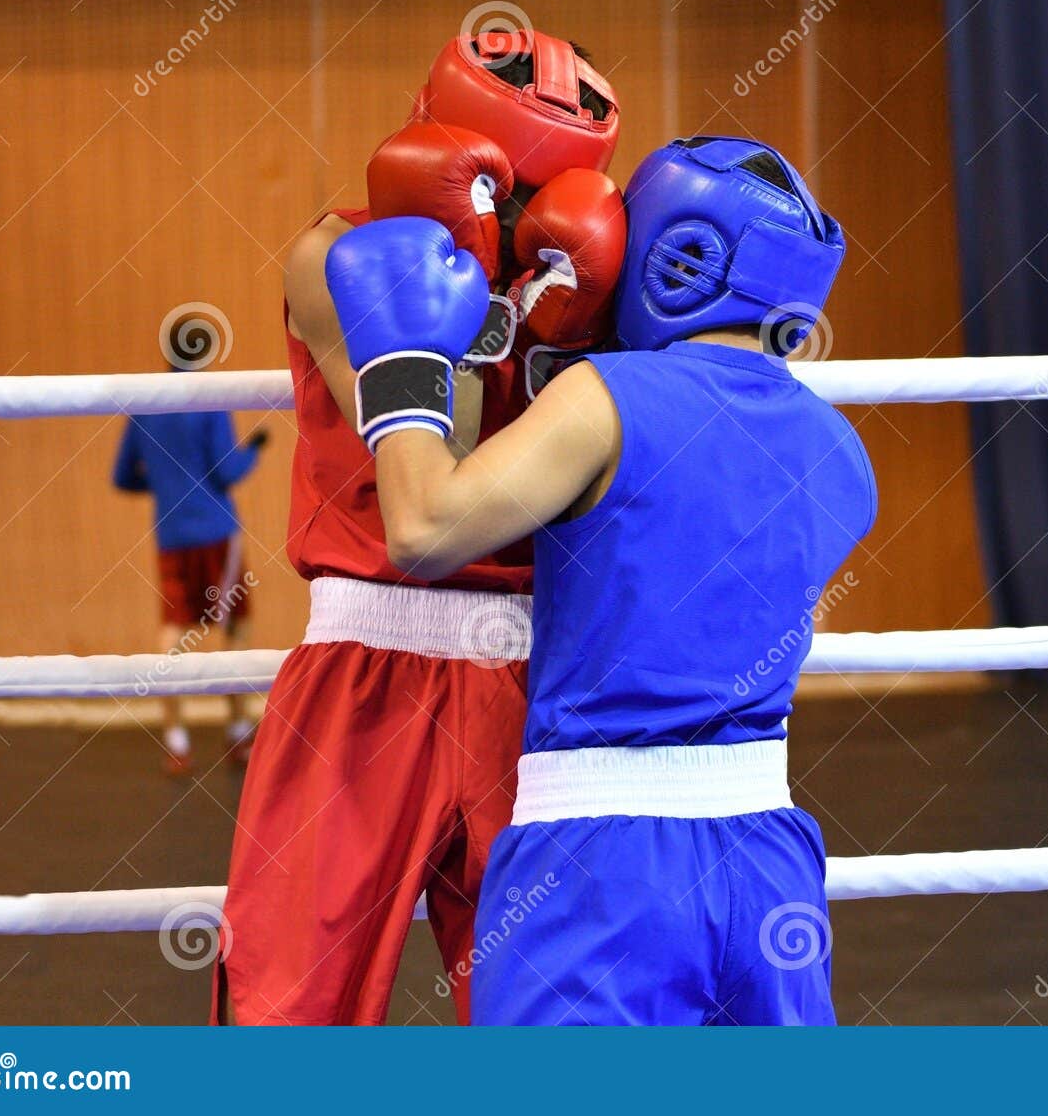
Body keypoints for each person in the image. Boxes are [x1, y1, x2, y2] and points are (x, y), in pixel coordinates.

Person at [326, 135, 877, 1025]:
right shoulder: (844, 458)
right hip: (771, 862)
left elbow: (424, 530)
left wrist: (406, 365)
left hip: (601, 868)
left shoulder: (602, 398)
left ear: (672, 256)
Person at [216, 27, 625, 1025]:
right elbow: (421, 460)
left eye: (544, 198)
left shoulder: (589, 278)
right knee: (288, 1009)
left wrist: (570, 297)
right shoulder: (336, 255)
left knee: (553, 1018)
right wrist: (490, 307)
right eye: (509, 193)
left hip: (539, 679)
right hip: (366, 665)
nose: (526, 218)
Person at [111, 352, 267, 776]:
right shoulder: (210, 397)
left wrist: (165, 483)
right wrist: (254, 449)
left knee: (173, 631)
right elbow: (227, 471)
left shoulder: (147, 403)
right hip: (217, 531)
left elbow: (122, 476)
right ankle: (237, 731)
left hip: (172, 533)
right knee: (234, 628)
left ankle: (176, 739)